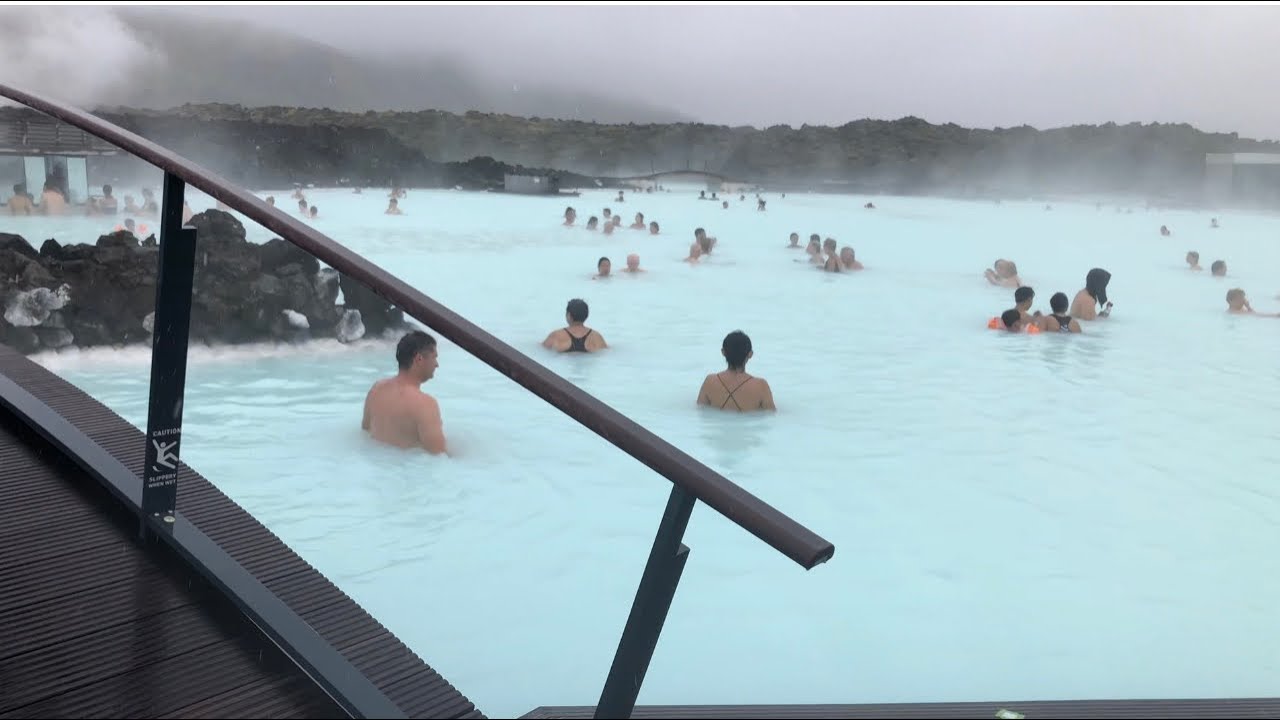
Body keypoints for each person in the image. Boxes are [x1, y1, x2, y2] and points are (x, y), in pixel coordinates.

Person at [361, 331, 447, 455]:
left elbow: (365, 432)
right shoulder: (425, 404)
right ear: (419, 359)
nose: (437, 364)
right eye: (434, 357)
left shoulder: (376, 389)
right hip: (410, 470)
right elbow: (439, 456)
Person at [696, 330, 776, 412]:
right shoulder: (761, 386)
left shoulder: (710, 381)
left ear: (723, 352)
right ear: (750, 354)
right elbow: (771, 415)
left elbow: (699, 410)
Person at [543, 298, 607, 353]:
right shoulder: (596, 337)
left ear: (568, 315)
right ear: (586, 316)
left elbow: (542, 350)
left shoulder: (557, 335)